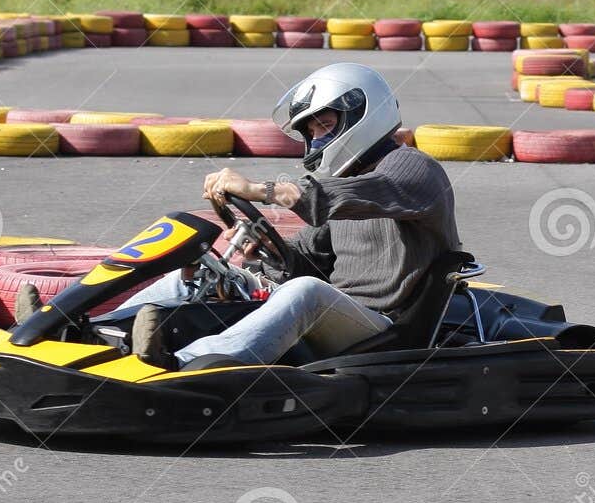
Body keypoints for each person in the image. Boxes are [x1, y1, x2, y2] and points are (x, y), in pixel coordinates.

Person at [111, 63, 461, 370]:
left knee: (306, 292)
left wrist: (259, 189)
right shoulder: (344, 185)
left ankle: (186, 363)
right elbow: (306, 259)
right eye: (310, 132)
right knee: (208, 273)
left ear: (362, 114)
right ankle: (98, 333)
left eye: (324, 125)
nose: (316, 140)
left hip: (387, 327)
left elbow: (340, 197)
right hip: (335, 314)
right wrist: (268, 251)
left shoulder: (414, 169)